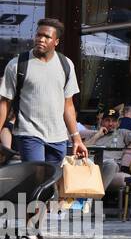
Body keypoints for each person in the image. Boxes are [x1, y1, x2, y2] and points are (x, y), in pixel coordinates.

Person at [0, 18, 88, 168]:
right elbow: (5, 102)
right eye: (38, 35)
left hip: (58, 136)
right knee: (36, 177)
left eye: (47, 37)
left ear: (56, 41)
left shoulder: (66, 64)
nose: (41, 39)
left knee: (51, 183)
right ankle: (26, 192)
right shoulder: (17, 64)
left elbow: (68, 105)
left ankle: (28, 192)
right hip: (29, 133)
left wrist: (76, 139)